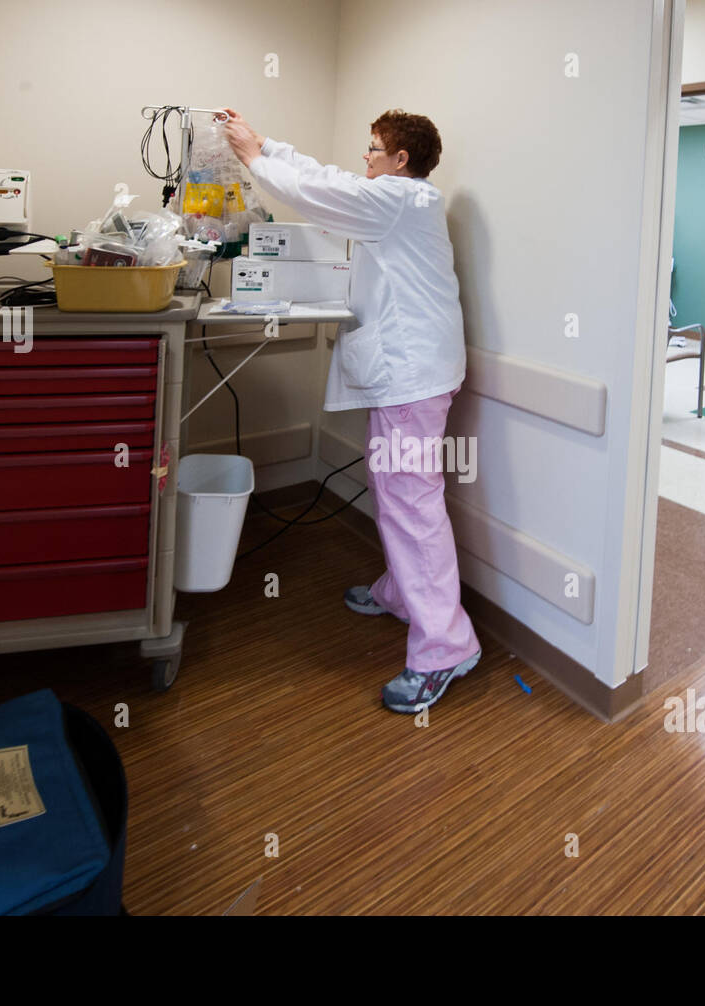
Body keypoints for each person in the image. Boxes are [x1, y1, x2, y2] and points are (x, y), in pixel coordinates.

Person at [224, 107, 480, 714]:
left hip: (412, 378)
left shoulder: (398, 200)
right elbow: (327, 176)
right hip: (412, 377)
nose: (363, 157)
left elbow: (317, 191)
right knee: (397, 493)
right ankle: (400, 591)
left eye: (374, 149)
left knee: (412, 504)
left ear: (400, 160)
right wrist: (267, 144)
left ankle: (446, 647)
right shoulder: (397, 199)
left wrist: (255, 159)